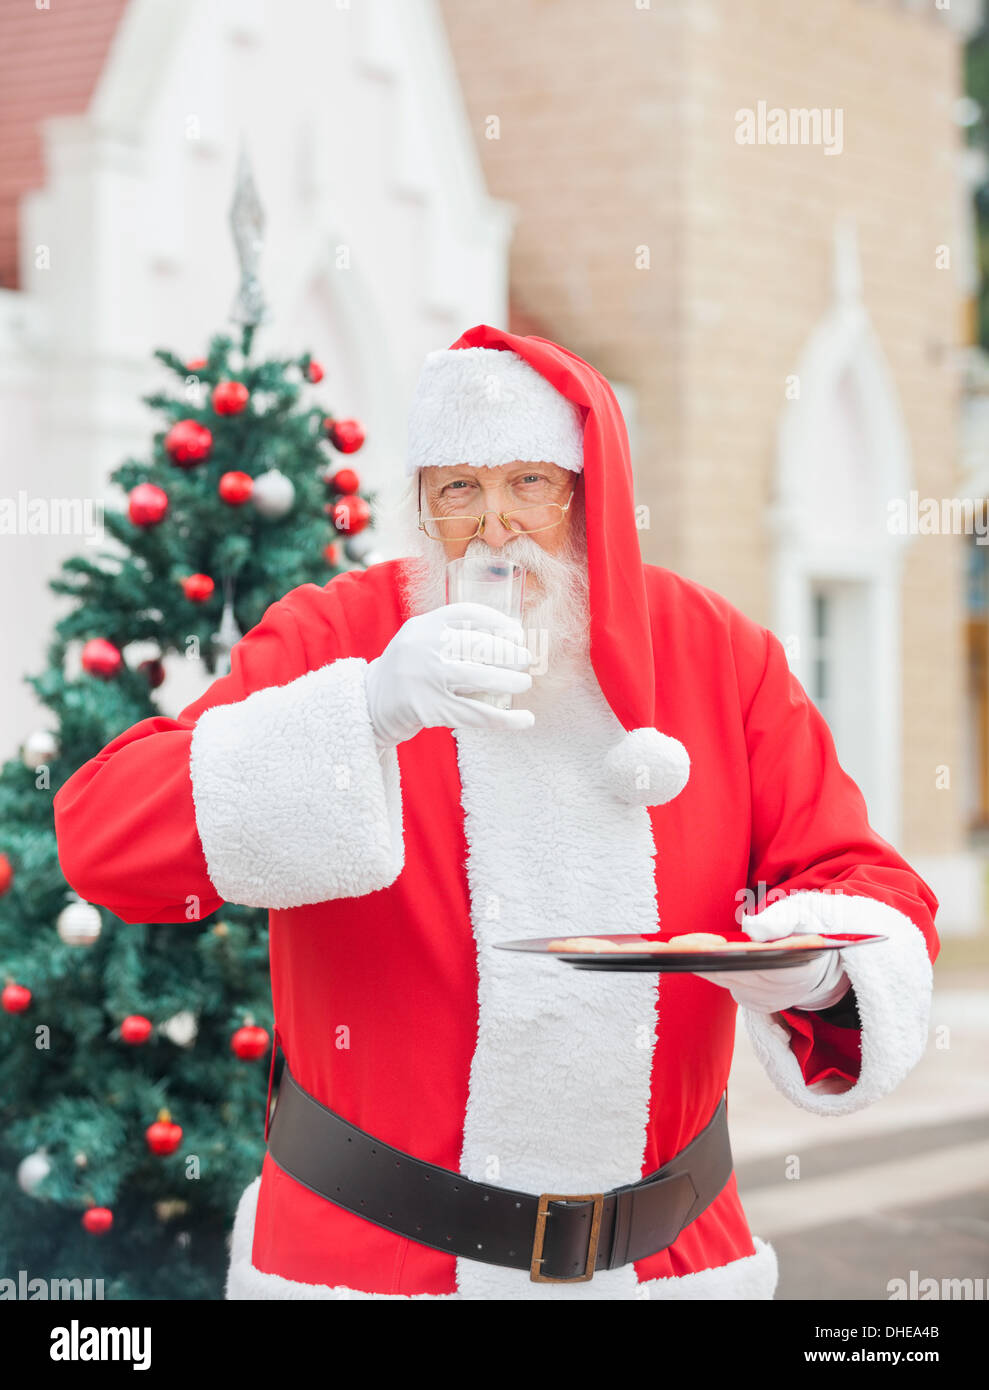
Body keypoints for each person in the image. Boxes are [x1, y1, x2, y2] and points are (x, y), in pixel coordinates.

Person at [53, 323, 939, 1300]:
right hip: (377, 1265)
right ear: (424, 503)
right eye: (458, 488)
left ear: (585, 494)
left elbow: (859, 880)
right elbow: (105, 835)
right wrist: (363, 709)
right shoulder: (339, 633)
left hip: (664, 1265)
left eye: (530, 483)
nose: (494, 525)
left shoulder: (716, 652)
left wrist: (817, 967)